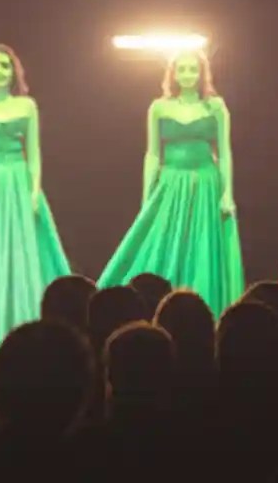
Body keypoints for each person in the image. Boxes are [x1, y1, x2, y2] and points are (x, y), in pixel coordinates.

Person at [98, 49, 244, 316]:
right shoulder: (159, 107)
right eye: (182, 69)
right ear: (173, 73)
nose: (188, 75)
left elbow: (224, 152)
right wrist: (147, 196)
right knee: (164, 242)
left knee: (202, 244)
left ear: (202, 73)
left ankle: (202, 310)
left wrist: (227, 194)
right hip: (171, 182)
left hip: (205, 183)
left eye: (193, 69)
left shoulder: (215, 107)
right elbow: (152, 153)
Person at [0, 44, 71, 344]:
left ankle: (20, 324)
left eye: (4, 65)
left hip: (17, 182)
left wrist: (34, 191)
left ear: (13, 70)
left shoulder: (27, 106)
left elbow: (34, 153)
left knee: (17, 253)